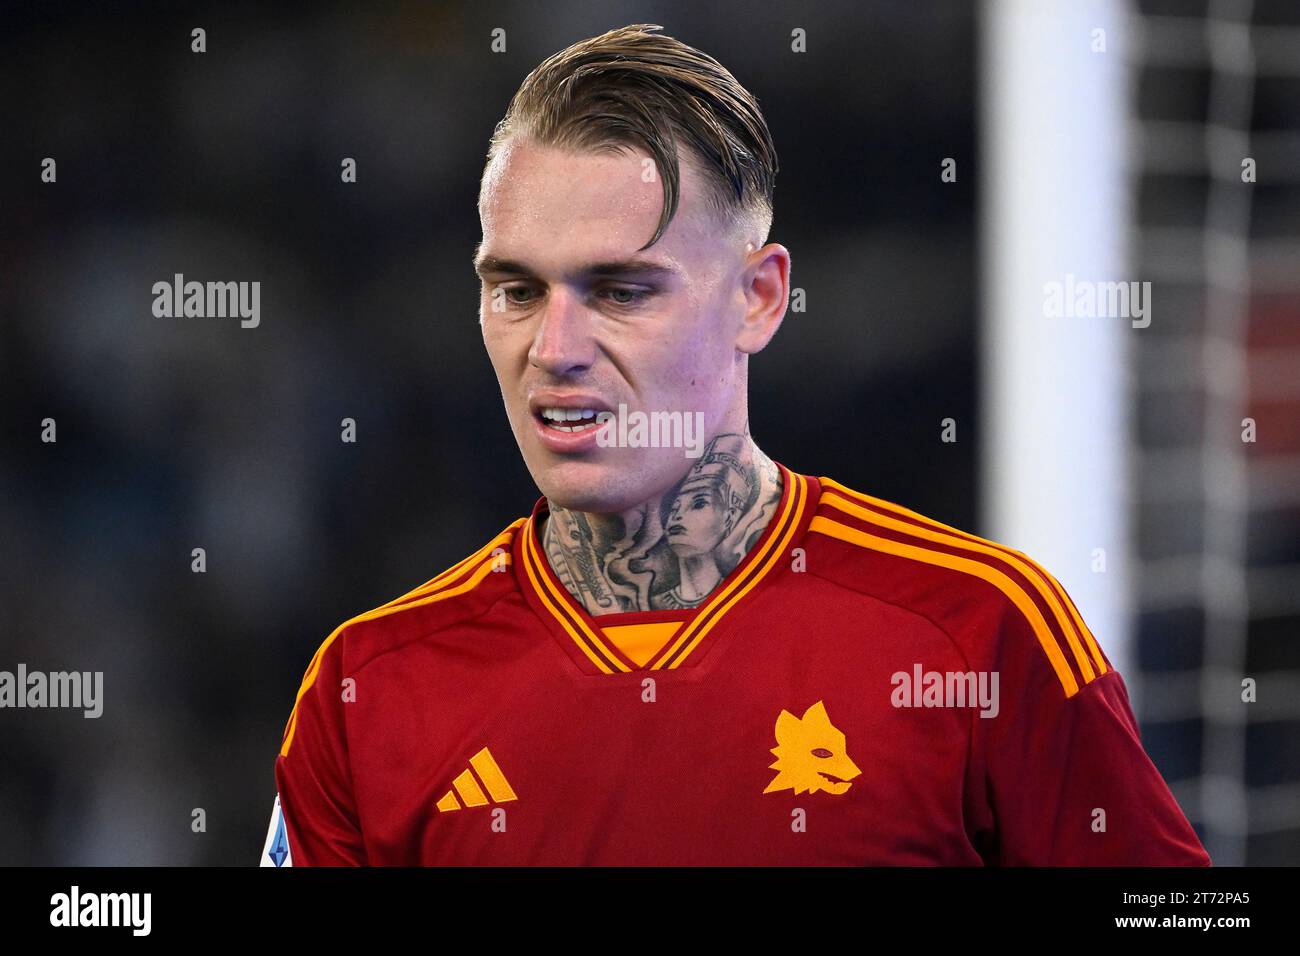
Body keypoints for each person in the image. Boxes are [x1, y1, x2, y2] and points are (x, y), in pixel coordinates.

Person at [263, 23, 1210, 866]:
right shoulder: (368, 689)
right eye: (516, 290)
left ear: (758, 298)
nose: (553, 351)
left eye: (623, 291)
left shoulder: (977, 634)